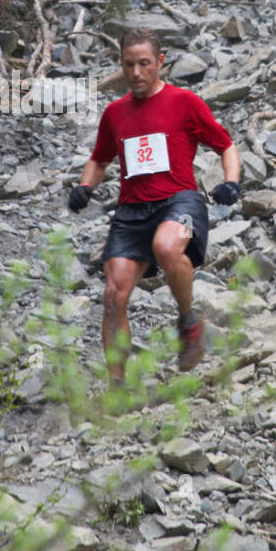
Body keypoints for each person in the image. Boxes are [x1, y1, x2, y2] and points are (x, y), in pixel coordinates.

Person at [69, 27, 242, 380]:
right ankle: (117, 387)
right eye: (129, 64)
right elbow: (100, 160)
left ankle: (188, 321)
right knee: (114, 294)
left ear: (160, 63)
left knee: (166, 246)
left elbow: (226, 145)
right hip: (132, 212)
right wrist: (85, 186)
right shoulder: (115, 113)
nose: (136, 73)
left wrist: (231, 182)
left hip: (181, 202)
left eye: (144, 64)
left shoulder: (184, 102)